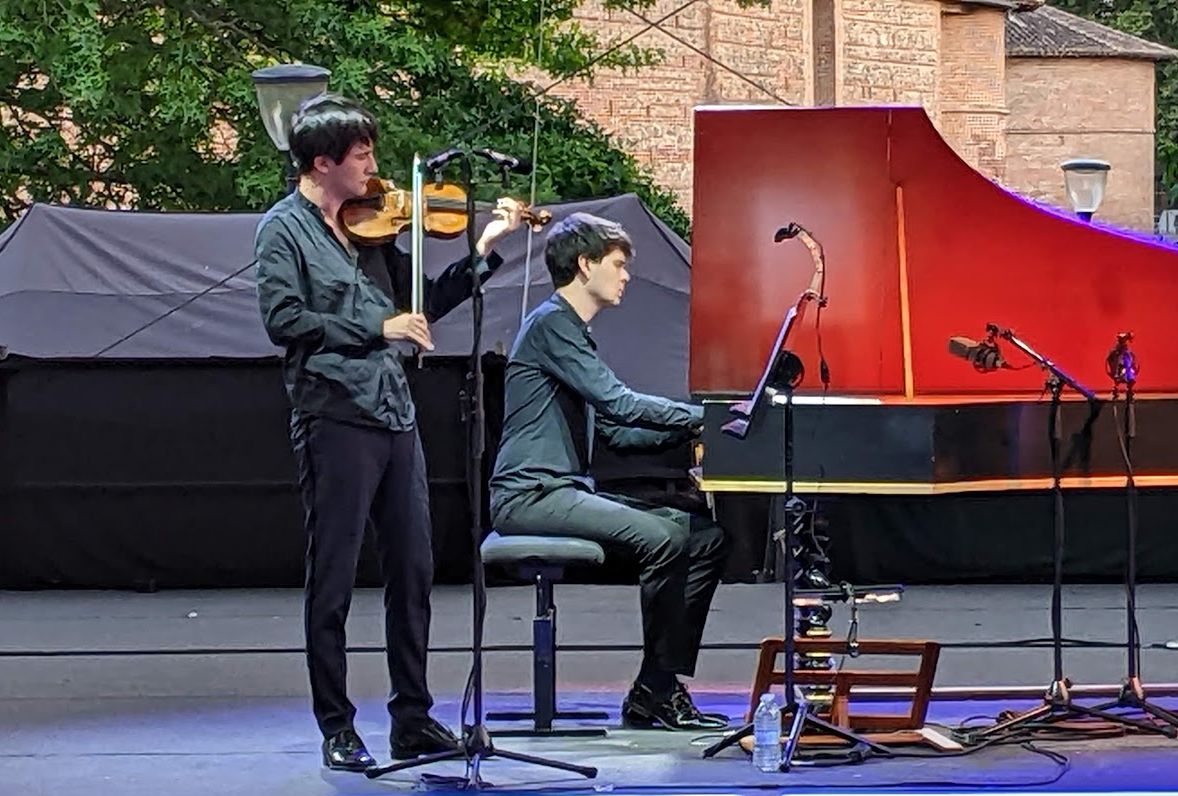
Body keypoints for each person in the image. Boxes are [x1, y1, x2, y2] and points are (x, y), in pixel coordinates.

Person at [254, 93, 524, 771]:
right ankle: (337, 726)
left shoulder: (372, 226)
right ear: (324, 163)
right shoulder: (283, 230)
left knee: (414, 570)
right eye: (364, 153)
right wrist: (375, 329)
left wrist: (484, 251)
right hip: (334, 415)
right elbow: (285, 320)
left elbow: (419, 305)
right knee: (335, 576)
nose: (375, 166)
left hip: (395, 413)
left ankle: (414, 718)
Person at [488, 212, 730, 731]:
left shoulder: (570, 333)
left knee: (705, 537)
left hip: (564, 488)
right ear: (584, 264)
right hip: (530, 493)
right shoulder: (553, 324)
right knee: (664, 539)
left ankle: (655, 688)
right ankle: (657, 694)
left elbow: (616, 434)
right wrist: (704, 416)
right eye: (618, 265)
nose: (625, 276)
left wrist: (693, 435)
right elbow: (618, 403)